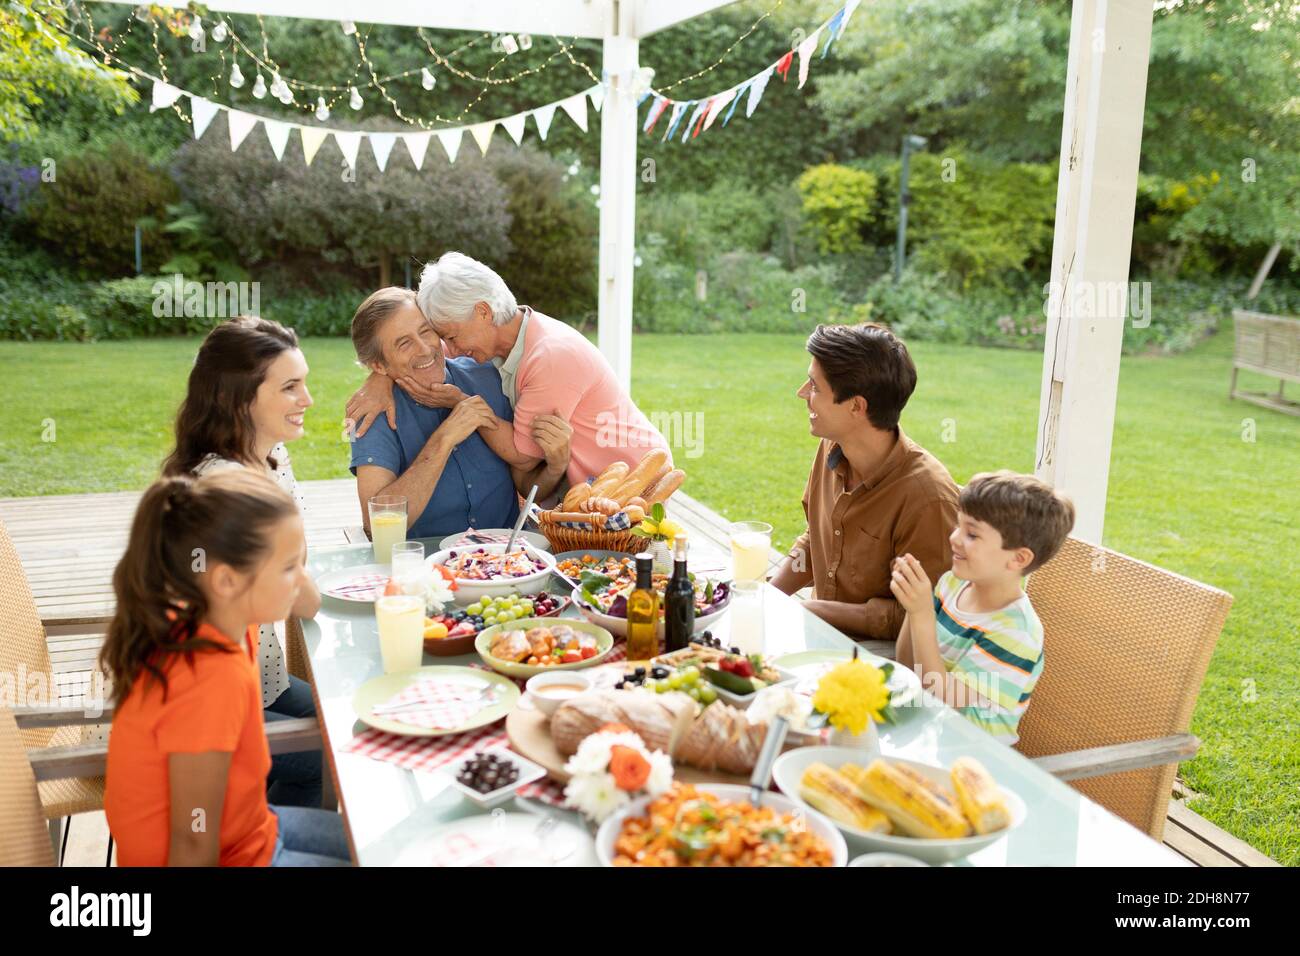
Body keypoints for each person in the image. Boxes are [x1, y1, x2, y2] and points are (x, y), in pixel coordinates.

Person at [102, 471, 350, 866]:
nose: (301, 580)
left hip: (253, 832)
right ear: (227, 580)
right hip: (222, 857)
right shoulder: (208, 676)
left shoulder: (223, 617)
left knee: (384, 849)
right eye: (289, 568)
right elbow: (192, 840)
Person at [345, 252, 668, 502]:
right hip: (585, 485)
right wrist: (379, 377)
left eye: (451, 336)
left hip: (631, 476)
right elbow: (418, 353)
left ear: (483, 311)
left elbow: (524, 456)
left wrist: (465, 404)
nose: (448, 348)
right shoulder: (496, 339)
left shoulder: (551, 356)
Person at [161, 316, 323, 808]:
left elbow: (295, 569)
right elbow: (306, 600)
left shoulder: (268, 457)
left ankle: (263, 815)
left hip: (262, 679)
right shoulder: (227, 488)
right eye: (290, 387)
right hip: (210, 704)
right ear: (240, 399)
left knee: (348, 714)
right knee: (333, 751)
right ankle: (259, 830)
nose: (308, 400)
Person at [769, 323, 959, 641]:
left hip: (886, 658)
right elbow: (817, 541)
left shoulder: (929, 498)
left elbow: (932, 614)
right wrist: (765, 596)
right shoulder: (832, 444)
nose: (801, 393)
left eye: (814, 386)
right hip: (821, 634)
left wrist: (819, 611)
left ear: (857, 406)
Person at [890, 471, 1075, 745]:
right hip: (925, 733)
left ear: (1018, 558)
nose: (954, 538)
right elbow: (907, 667)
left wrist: (921, 614)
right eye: (958, 526)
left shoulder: (1015, 633)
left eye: (972, 534)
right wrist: (912, 605)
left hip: (972, 759)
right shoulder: (952, 584)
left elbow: (940, 697)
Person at [348, 287, 534, 539]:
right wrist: (443, 439)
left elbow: (526, 474)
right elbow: (375, 524)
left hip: (508, 560)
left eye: (426, 331)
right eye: (404, 343)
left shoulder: (488, 375)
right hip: (428, 568)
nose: (425, 348)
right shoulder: (373, 412)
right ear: (379, 365)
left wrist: (555, 463)